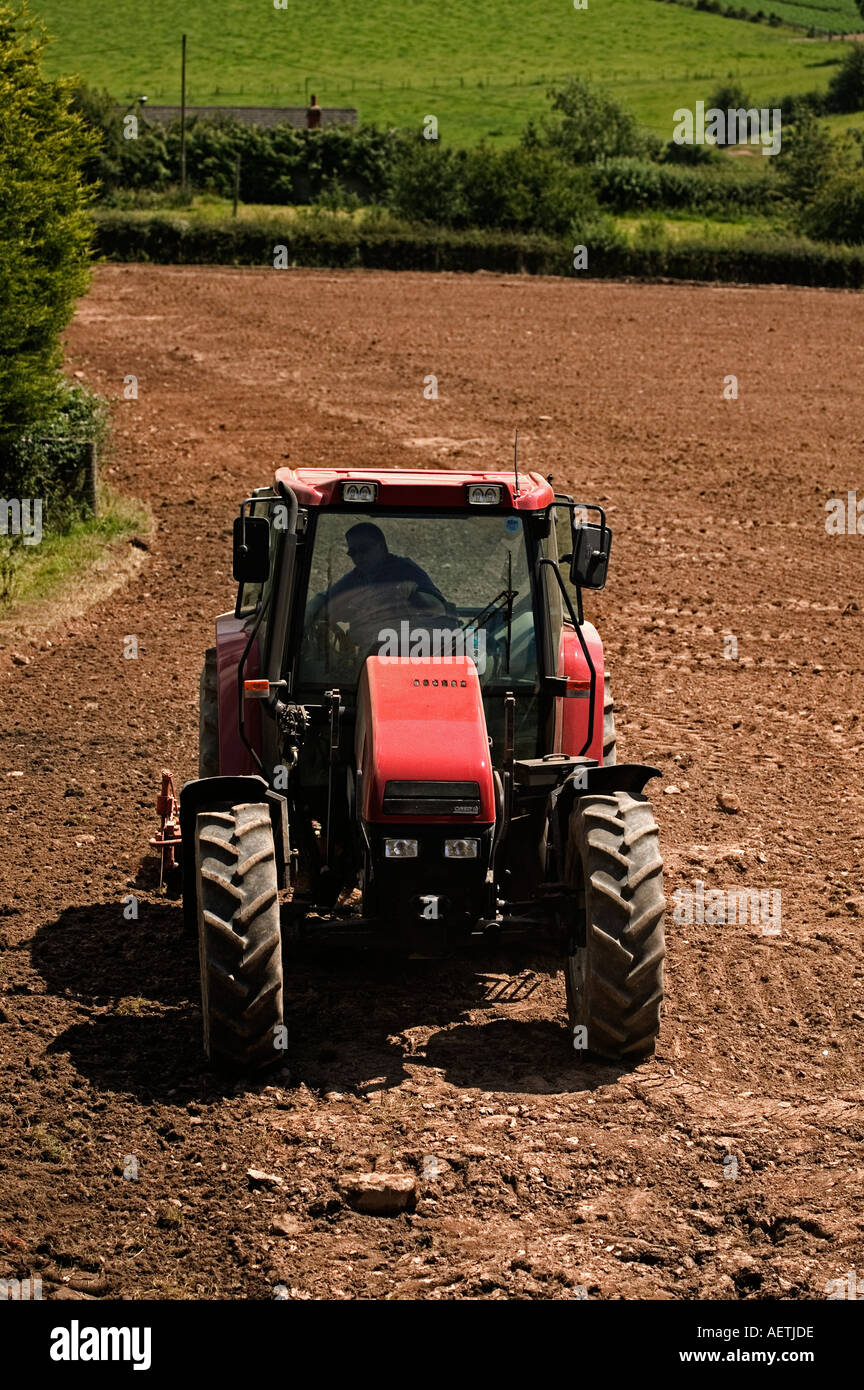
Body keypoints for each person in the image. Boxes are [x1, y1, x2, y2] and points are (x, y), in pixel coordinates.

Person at [305, 522, 451, 653]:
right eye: (353, 553)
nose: (358, 557)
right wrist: (309, 613)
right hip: (369, 652)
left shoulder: (405, 570)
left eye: (364, 549)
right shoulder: (356, 577)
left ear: (381, 546)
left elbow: (437, 607)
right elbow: (327, 598)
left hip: (405, 649)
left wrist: (413, 592)